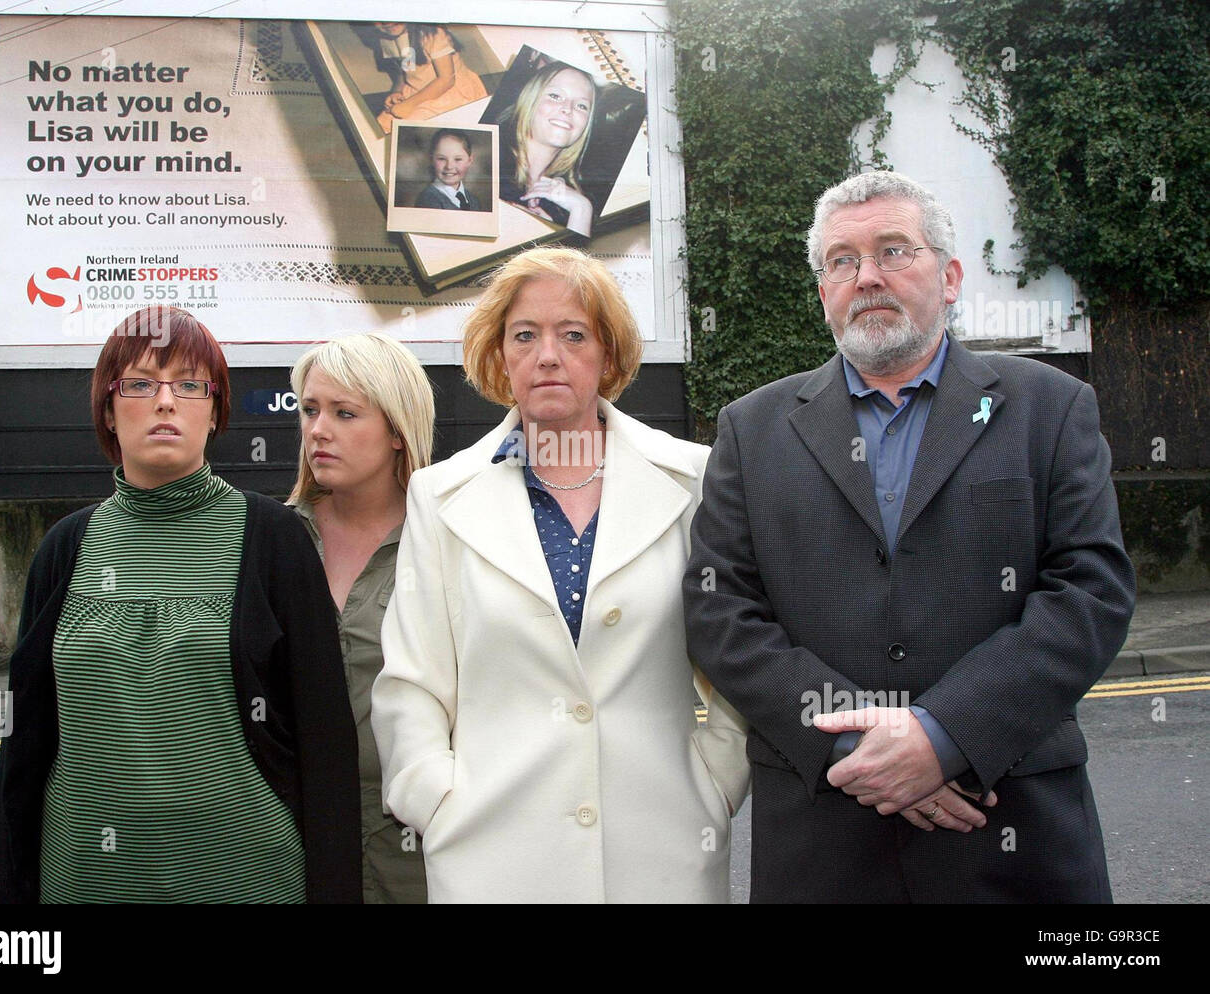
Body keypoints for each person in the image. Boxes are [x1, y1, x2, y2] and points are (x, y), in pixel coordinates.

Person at [683, 170, 1136, 903]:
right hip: (825, 845)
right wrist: (864, 748)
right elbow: (720, 613)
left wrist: (944, 737)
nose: (867, 277)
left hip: (1010, 838)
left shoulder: (1049, 408)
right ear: (823, 287)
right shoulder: (751, 428)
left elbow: (1090, 593)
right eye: (841, 261)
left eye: (894, 251)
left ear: (951, 277)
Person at [371, 246, 749, 903]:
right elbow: (412, 685)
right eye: (525, 335)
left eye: (573, 334)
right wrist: (438, 802)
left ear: (608, 354)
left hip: (663, 855)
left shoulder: (694, 480)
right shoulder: (440, 496)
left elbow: (741, 652)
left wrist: (716, 781)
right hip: (490, 861)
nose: (548, 354)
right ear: (499, 356)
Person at [0, 306, 362, 904]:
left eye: (189, 385)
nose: (166, 402)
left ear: (215, 411)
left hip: (248, 879)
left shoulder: (272, 539)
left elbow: (326, 743)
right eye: (140, 383)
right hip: (86, 878)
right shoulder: (65, 548)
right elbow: (24, 749)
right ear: (108, 410)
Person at [287, 333, 436, 904]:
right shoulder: (271, 541)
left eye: (345, 413)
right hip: (298, 852)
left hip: (422, 853)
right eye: (310, 410)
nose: (318, 429)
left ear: (398, 431)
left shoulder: (449, 536)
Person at [497, 61, 596, 236]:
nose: (568, 109)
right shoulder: (487, 165)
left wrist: (581, 209)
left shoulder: (571, 200)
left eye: (582, 106)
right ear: (530, 100)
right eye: (555, 96)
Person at [371, 22, 487, 135]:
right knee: (381, 125)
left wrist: (409, 105)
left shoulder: (432, 32)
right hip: (416, 91)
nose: (387, 22)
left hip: (447, 91)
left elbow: (447, 80)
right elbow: (402, 73)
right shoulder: (386, 38)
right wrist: (396, 91)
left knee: (408, 130)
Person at [414, 129, 483, 211]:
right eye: (441, 158)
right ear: (431, 159)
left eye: (458, 159)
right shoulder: (427, 200)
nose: (449, 166)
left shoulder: (473, 200)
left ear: (469, 161)